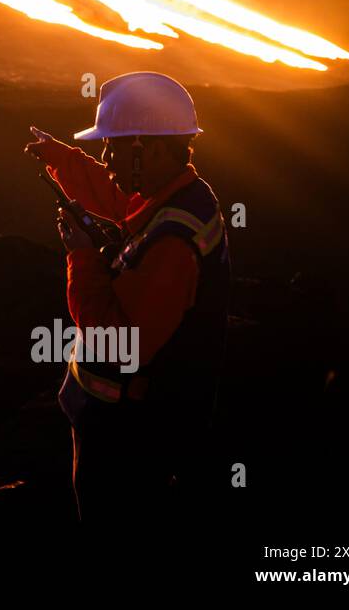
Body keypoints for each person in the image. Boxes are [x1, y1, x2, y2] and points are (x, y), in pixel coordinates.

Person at [25, 72, 230, 522]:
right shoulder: (177, 197)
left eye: (112, 145)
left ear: (149, 149)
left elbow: (119, 347)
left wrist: (81, 256)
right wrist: (61, 157)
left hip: (130, 439)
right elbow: (118, 195)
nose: (105, 156)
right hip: (125, 424)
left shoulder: (174, 243)